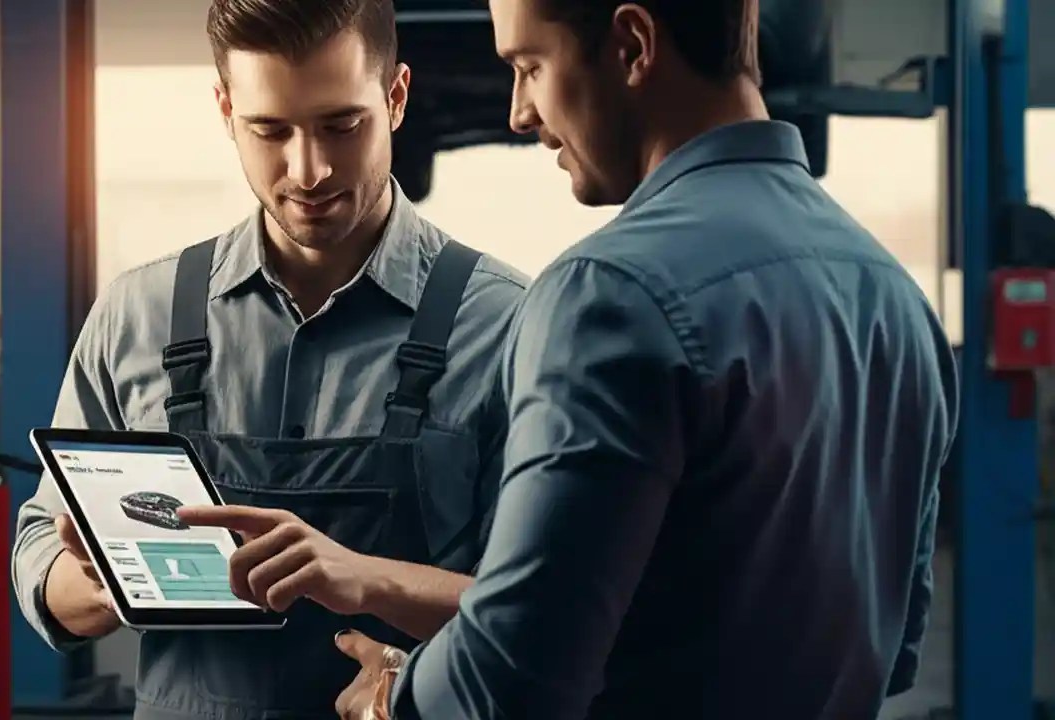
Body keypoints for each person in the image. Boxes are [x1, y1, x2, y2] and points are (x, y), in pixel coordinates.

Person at [321, 0, 961, 718]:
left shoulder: (609, 296)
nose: (519, 113)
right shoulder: (895, 301)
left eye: (531, 67)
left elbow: (511, 681)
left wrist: (389, 697)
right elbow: (895, 642)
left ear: (631, 45)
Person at [9, 0, 529, 717]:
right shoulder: (137, 313)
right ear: (226, 110)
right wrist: (93, 583)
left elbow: (545, 606)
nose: (308, 170)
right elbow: (40, 545)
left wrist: (370, 579)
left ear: (396, 99)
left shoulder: (508, 323)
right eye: (269, 129)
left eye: (341, 126)